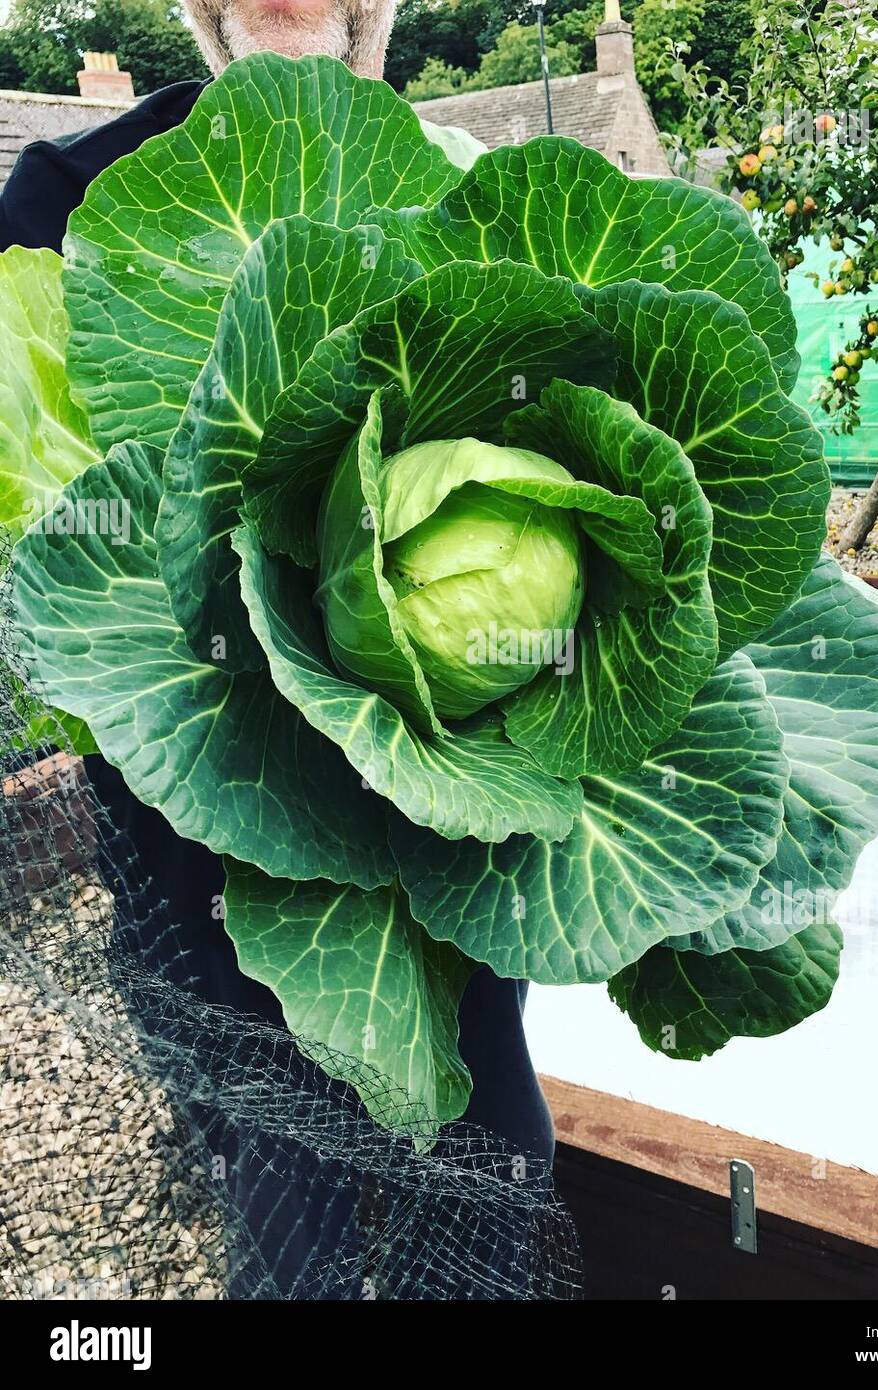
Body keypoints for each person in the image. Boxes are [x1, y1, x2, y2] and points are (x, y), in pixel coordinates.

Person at [0, 0, 555, 1294]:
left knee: (486, 1126)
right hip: (201, 804)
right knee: (278, 1169)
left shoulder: (470, 194)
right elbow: (39, 517)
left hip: (436, 790)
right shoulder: (59, 201)